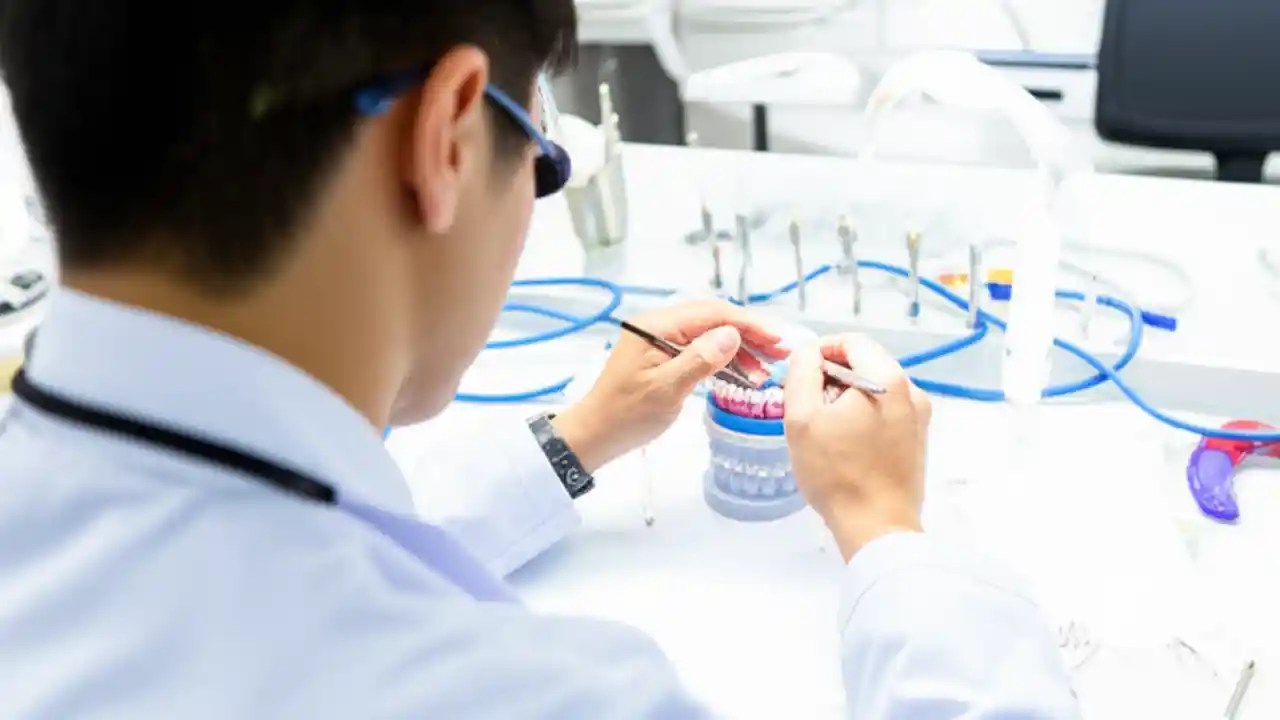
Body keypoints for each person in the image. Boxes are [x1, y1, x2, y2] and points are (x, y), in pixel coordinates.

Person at [0, 2, 1078, 718]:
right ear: (447, 136)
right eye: (542, 156)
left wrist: (576, 440)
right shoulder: (542, 697)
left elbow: (264, 540)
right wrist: (888, 534)